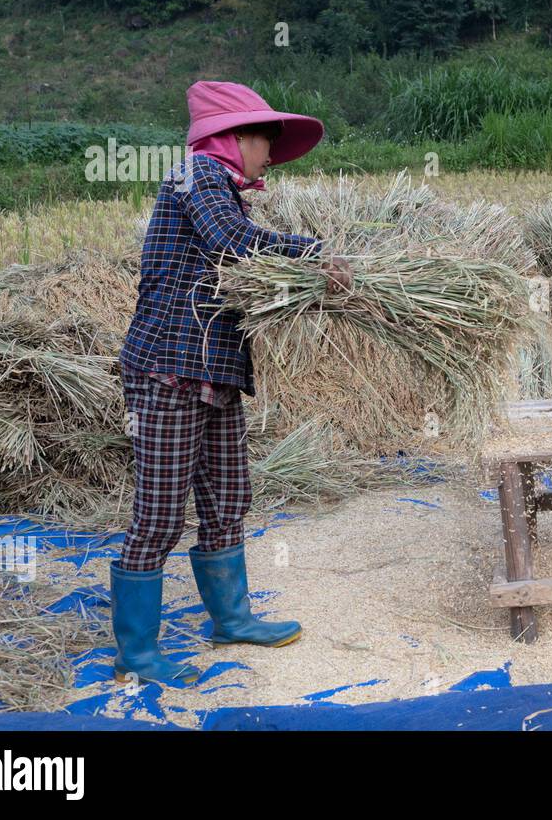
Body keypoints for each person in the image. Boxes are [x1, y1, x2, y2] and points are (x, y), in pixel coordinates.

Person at [113, 81, 352, 686]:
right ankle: (136, 655)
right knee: (161, 514)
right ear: (232, 136)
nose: (270, 154)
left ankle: (232, 619)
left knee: (227, 499)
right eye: (264, 140)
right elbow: (234, 245)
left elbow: (237, 264)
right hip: (168, 366)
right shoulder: (194, 176)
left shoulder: (224, 189)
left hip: (216, 369)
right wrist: (316, 253)